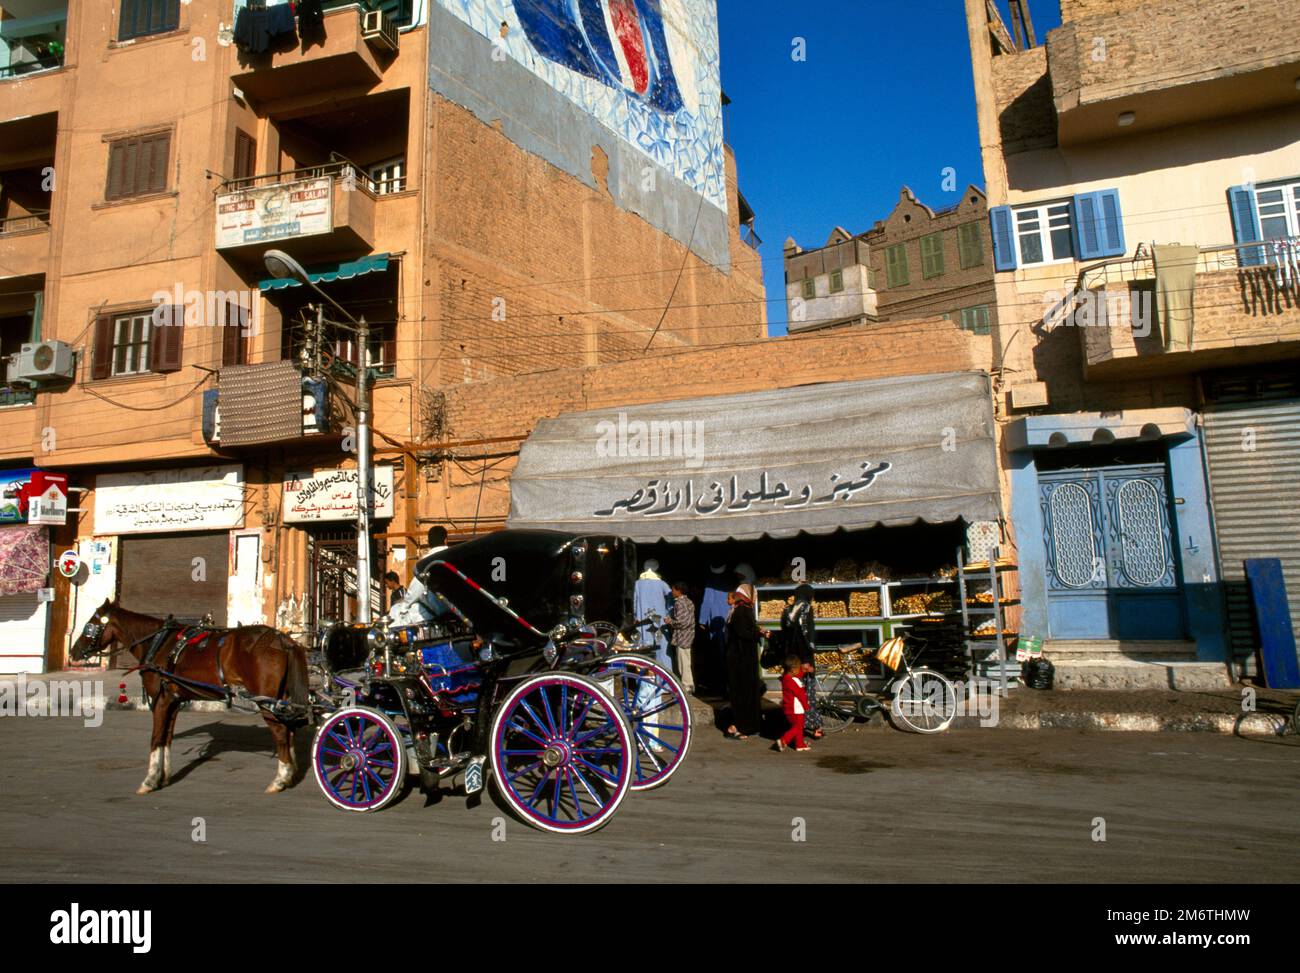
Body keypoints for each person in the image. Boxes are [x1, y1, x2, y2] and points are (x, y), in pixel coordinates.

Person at [780, 584, 824, 740]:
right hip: (803, 660)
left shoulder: (787, 610)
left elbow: (784, 636)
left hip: (790, 661)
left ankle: (796, 727)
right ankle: (815, 727)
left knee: (794, 696)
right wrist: (806, 659)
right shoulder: (806, 610)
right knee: (807, 696)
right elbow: (806, 636)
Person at [723, 583, 764, 740]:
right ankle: (739, 727)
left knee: (744, 693)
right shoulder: (742, 611)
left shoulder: (740, 610)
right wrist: (757, 634)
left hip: (739, 659)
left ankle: (746, 726)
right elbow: (743, 633)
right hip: (741, 660)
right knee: (744, 694)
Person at [633, 559, 672, 671]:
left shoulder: (638, 584)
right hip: (660, 619)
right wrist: (668, 613)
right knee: (662, 646)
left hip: (643, 620)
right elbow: (670, 598)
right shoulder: (662, 583)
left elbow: (635, 603)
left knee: (645, 647)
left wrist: (636, 616)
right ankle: (666, 677)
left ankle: (646, 677)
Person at [775, 655, 811, 752]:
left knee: (797, 726)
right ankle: (784, 740)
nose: (799, 671)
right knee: (798, 726)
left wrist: (803, 671)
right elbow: (801, 695)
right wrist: (806, 706)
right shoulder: (793, 681)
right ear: (792, 670)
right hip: (796, 708)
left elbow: (797, 675)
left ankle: (799, 744)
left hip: (789, 708)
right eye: (798, 669)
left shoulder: (786, 678)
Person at [668, 581, 696, 694]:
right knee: (684, 660)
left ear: (679, 591)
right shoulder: (688, 601)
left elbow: (682, 622)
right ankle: (687, 684)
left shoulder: (680, 603)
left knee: (683, 661)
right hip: (687, 635)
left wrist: (670, 621)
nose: (672, 592)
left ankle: (687, 685)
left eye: (673, 589)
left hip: (683, 636)